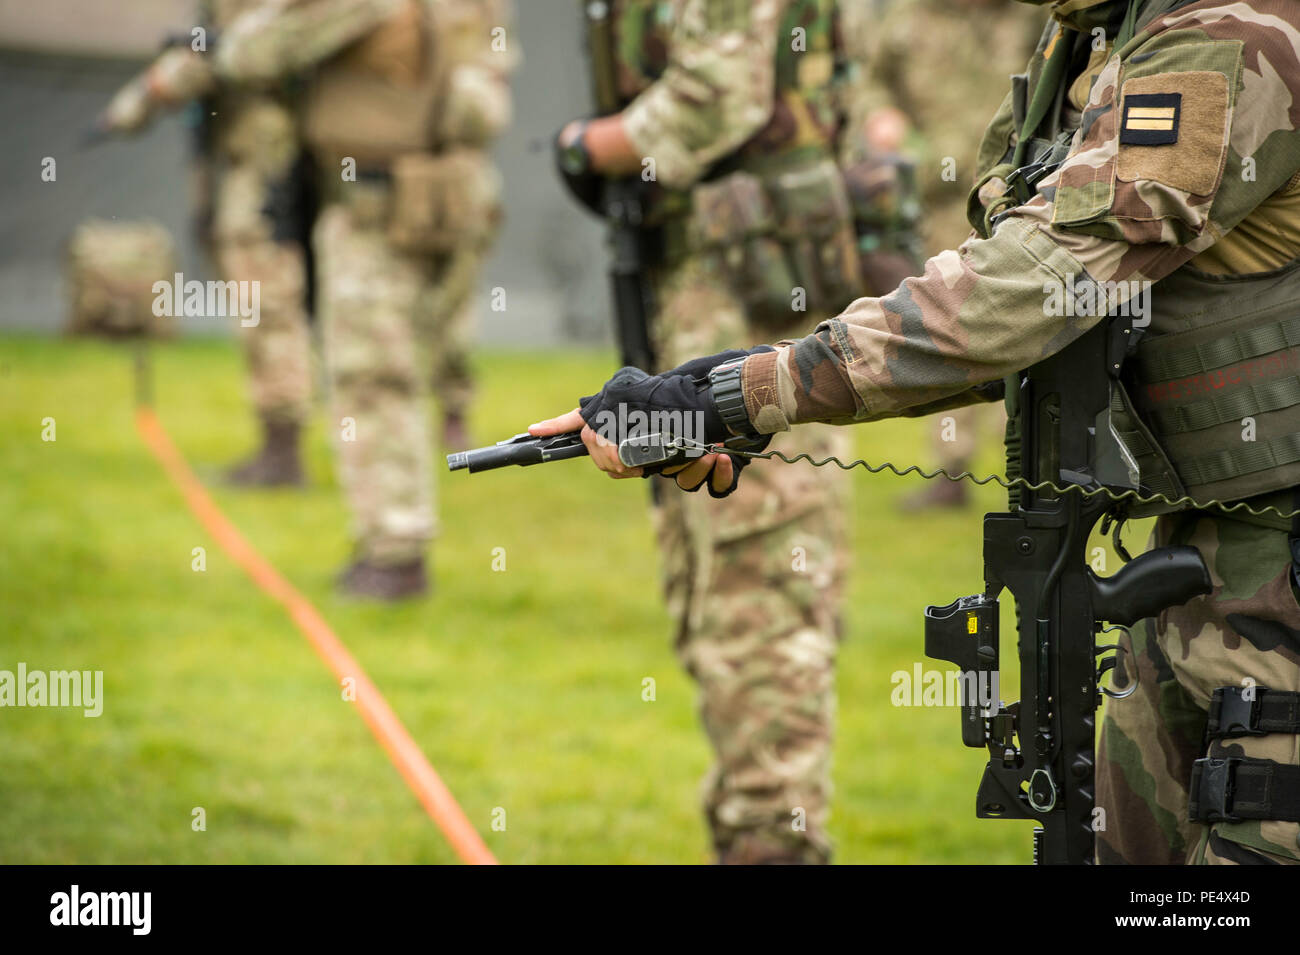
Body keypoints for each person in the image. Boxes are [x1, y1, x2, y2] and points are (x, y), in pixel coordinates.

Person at [536, 0, 1300, 864]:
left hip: (1277, 580)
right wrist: (735, 395)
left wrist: (742, 392)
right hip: (1192, 571)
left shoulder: (1228, 36)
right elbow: (1033, 319)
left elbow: (1035, 290)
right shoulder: (1096, 35)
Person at [553, 0, 881, 864]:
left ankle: (774, 836)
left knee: (758, 565)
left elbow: (716, 95)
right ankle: (755, 825)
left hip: (746, 273)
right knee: (708, 563)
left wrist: (589, 147)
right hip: (711, 267)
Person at [136, 0, 518, 597]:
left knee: (371, 375)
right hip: (439, 189)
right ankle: (396, 538)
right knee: (400, 363)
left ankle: (393, 553)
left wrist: (212, 48)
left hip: (373, 201)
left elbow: (251, 52)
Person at [98, 0, 316, 487]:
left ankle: (283, 454)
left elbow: (219, 59)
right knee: (258, 310)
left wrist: (141, 100)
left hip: (266, 177)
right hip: (250, 171)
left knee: (268, 309)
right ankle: (277, 447)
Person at [849, 0, 1045, 510]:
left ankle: (1031, 468)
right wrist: (881, 117)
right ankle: (950, 472)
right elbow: (870, 80)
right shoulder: (911, 17)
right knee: (942, 320)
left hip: (1018, 191)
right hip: (938, 197)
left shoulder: (1029, 17)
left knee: (1020, 320)